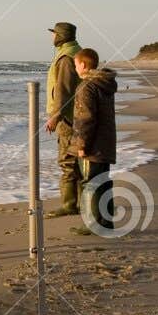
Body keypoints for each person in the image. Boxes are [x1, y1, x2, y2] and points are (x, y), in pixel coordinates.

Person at [67, 47, 118, 235]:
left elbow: (85, 119)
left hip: (93, 145)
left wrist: (82, 145)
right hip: (106, 143)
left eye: (75, 65)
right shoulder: (104, 84)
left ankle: (93, 223)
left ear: (83, 64)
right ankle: (106, 222)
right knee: (103, 181)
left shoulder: (86, 87)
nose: (75, 69)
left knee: (91, 183)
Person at [42, 20, 83, 217]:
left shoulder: (66, 58)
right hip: (76, 115)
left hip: (68, 118)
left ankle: (69, 204)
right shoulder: (75, 52)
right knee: (77, 161)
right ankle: (81, 203)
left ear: (60, 36)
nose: (52, 36)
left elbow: (63, 91)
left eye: (54, 33)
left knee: (67, 161)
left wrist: (55, 116)